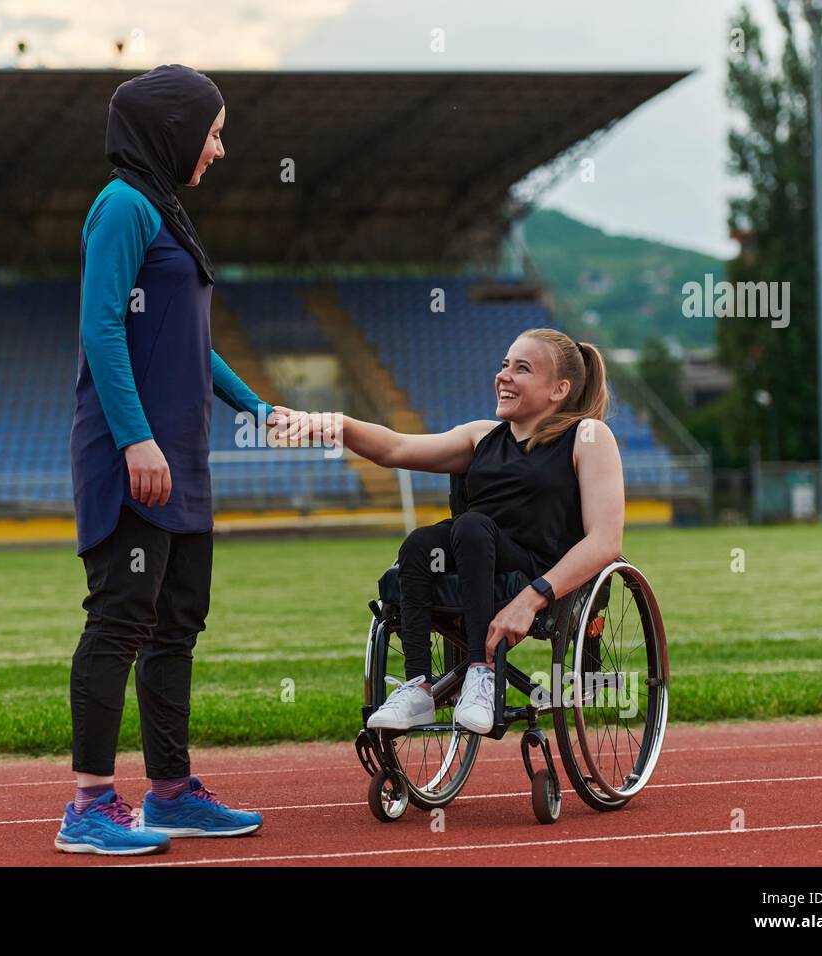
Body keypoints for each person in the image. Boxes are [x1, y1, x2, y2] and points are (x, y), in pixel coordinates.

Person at [57, 64, 295, 856]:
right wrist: (133, 437)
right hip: (134, 457)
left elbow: (193, 346)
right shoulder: (122, 206)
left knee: (177, 625)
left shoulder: (163, 208)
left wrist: (255, 408)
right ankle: (88, 806)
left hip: (179, 460)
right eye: (215, 131)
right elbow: (100, 327)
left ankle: (170, 793)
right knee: (119, 621)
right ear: (173, 129)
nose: (219, 149)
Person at [278, 328, 624, 735]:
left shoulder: (588, 435)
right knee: (422, 543)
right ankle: (419, 686)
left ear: (559, 389)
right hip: (479, 556)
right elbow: (395, 449)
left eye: (522, 369)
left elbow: (605, 541)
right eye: (504, 365)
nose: (504, 376)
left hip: (541, 572)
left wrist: (531, 600)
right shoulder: (481, 436)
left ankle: (481, 671)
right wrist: (332, 423)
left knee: (473, 526)